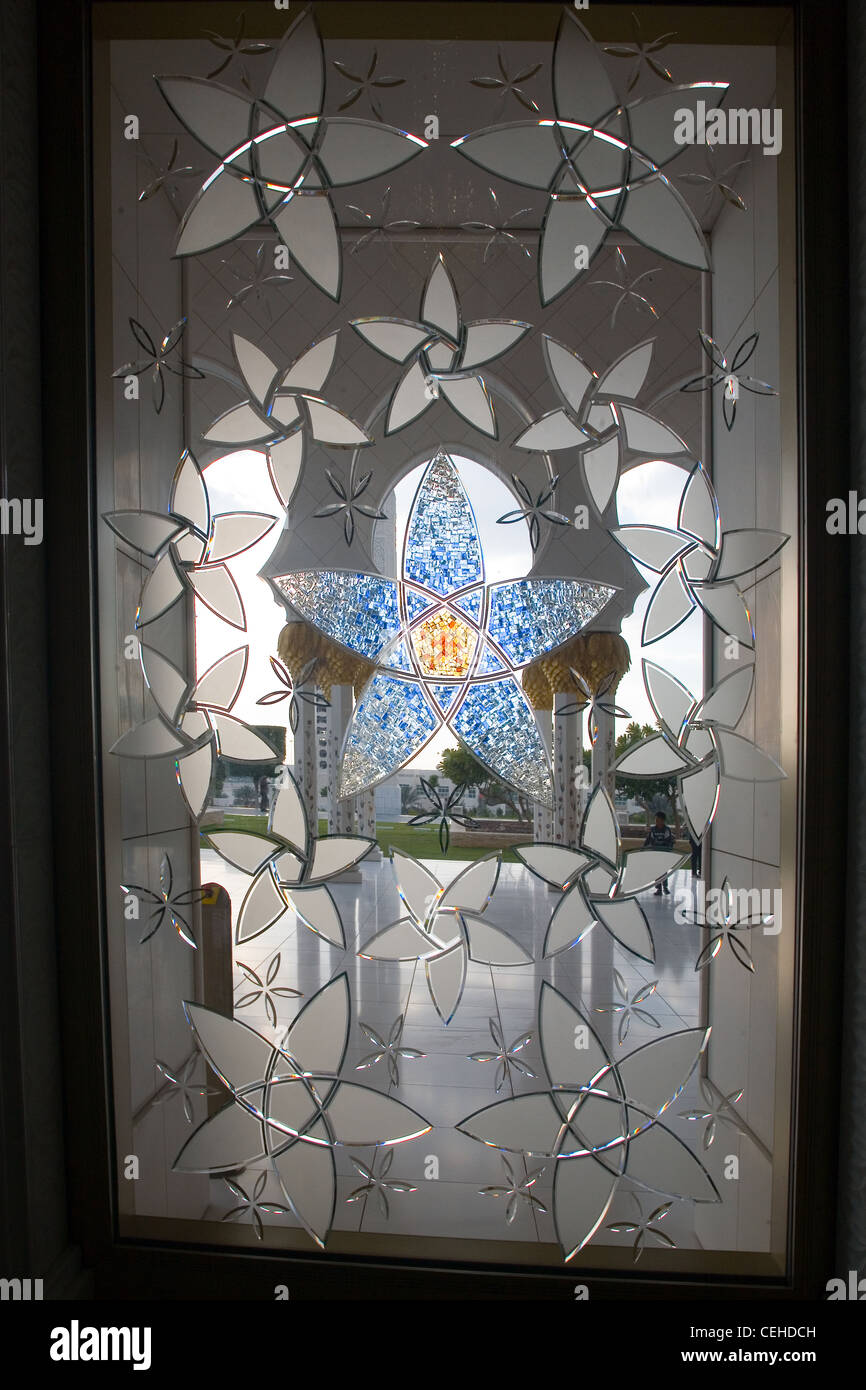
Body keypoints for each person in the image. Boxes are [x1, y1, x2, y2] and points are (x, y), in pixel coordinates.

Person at [645, 810, 674, 894]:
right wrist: (643, 848)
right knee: (656, 871)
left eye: (658, 820)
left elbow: (668, 841)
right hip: (655, 853)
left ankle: (665, 887)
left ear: (662, 820)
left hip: (664, 854)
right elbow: (648, 840)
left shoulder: (667, 830)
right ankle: (658, 888)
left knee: (663, 871)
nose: (656, 822)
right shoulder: (653, 829)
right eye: (655, 820)